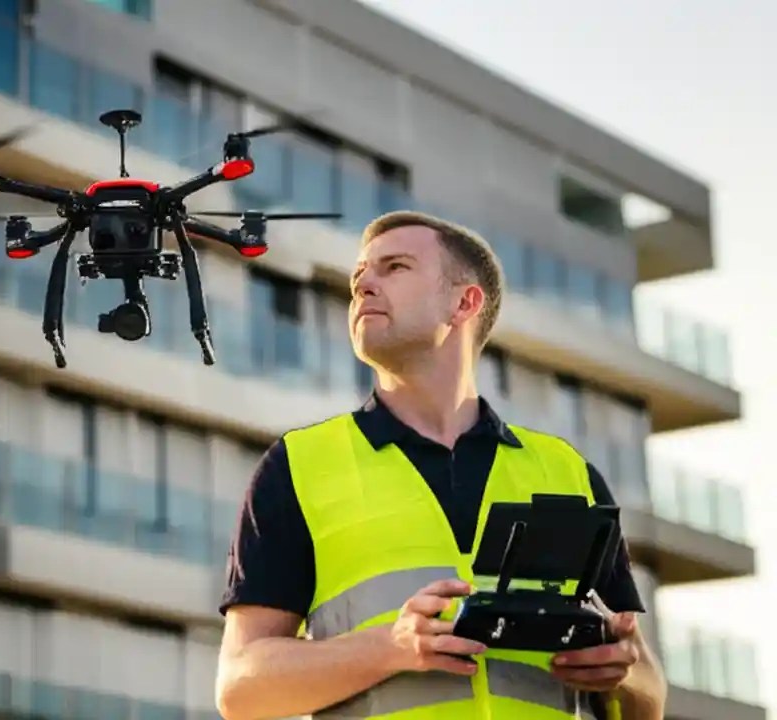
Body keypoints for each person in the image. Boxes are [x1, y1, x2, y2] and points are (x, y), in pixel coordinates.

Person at [214, 210, 668, 720]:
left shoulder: (567, 471)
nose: (363, 285)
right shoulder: (297, 466)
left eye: (395, 267)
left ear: (464, 302)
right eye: (359, 276)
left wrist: (626, 671)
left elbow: (647, 691)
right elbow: (240, 689)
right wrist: (392, 646)